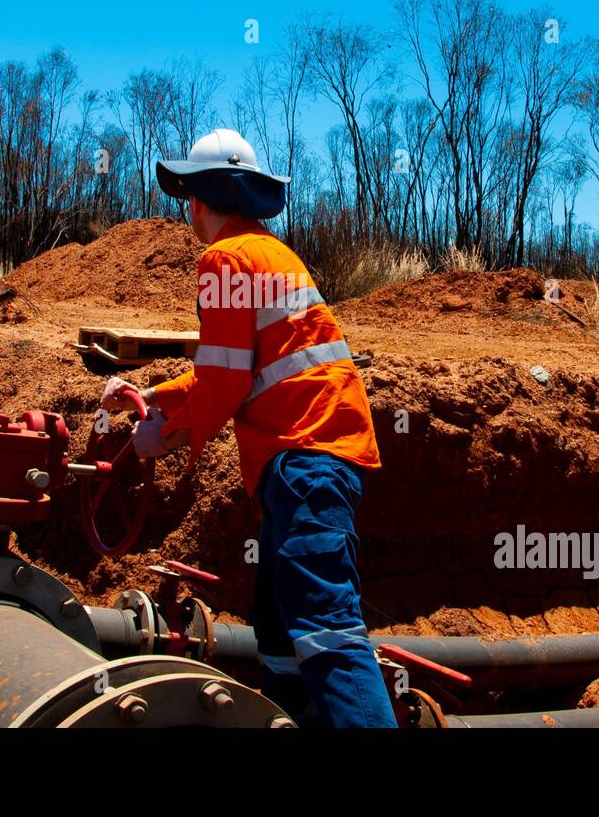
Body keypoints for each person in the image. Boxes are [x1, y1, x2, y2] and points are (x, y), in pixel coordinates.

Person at [99, 128, 397, 728]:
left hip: (307, 457)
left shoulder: (224, 259)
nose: (188, 212)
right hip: (318, 453)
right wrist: (151, 396)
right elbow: (229, 370)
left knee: (324, 627)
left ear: (201, 200)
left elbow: (225, 384)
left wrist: (165, 438)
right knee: (278, 626)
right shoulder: (270, 253)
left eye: (189, 198)